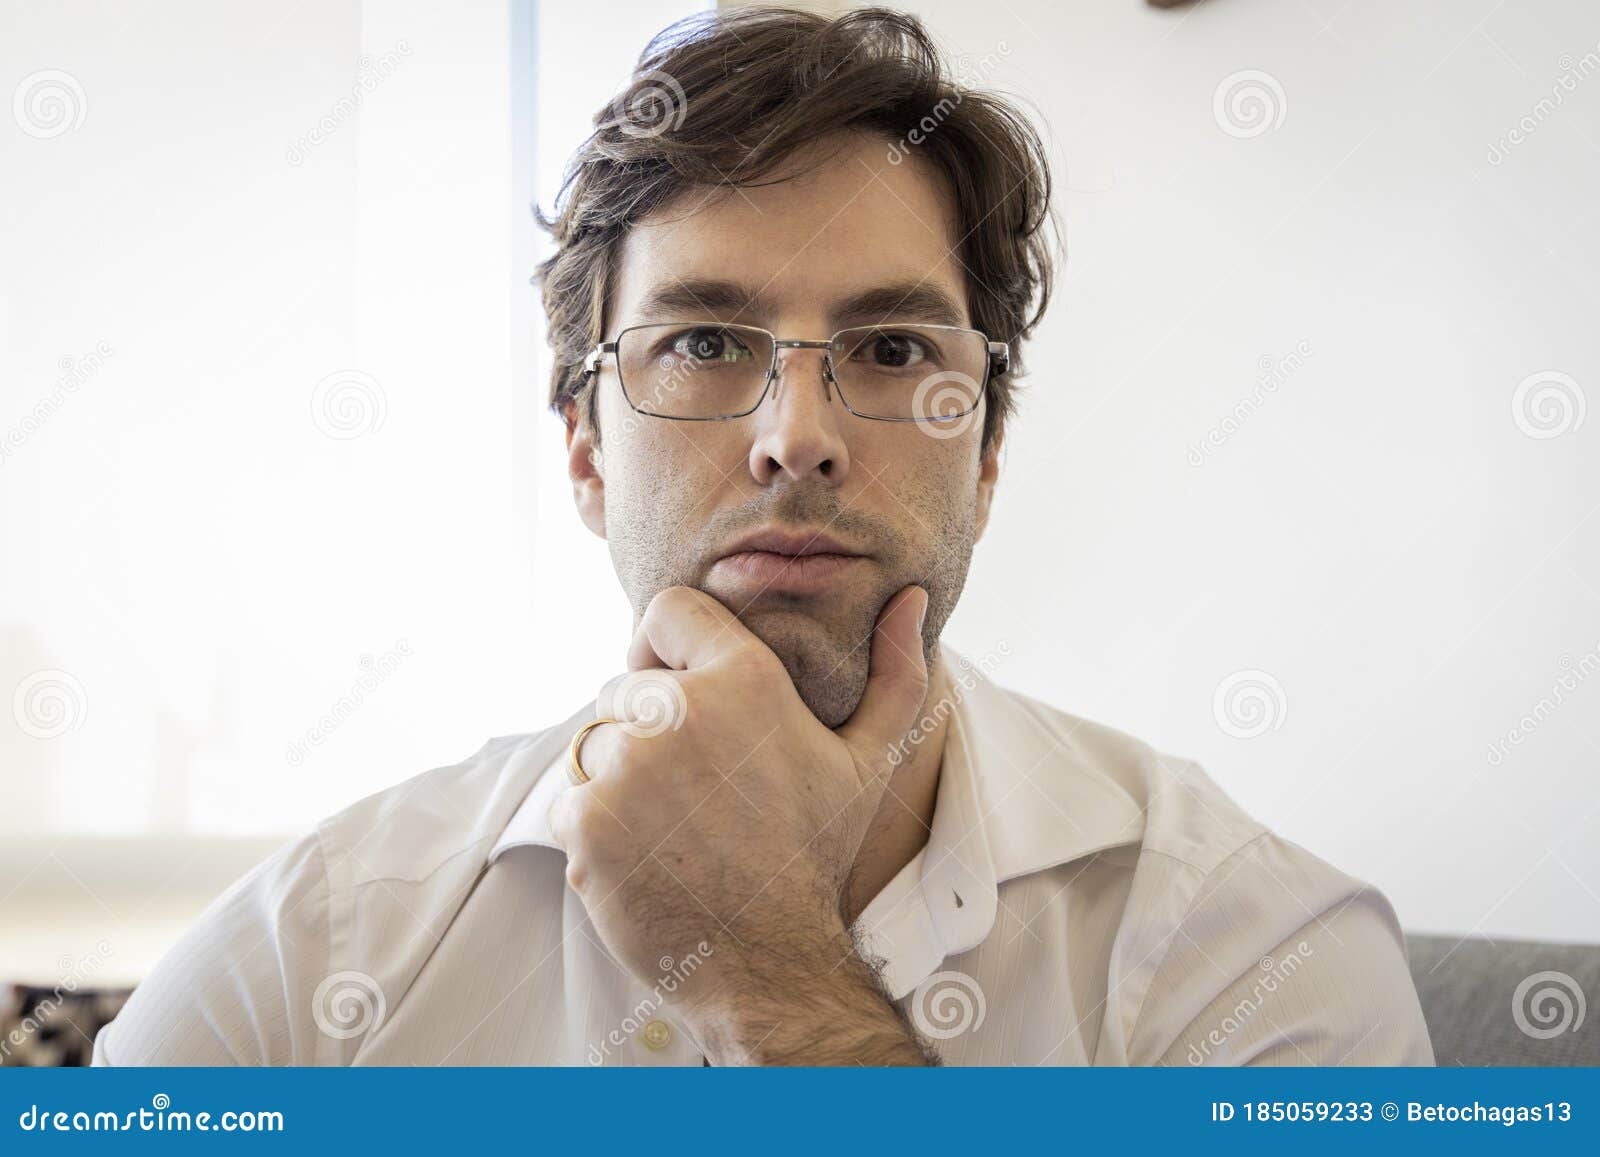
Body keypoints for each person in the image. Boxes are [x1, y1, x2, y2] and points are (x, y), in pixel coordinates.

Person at [95, 6, 1433, 1067]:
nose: (797, 432)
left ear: (991, 450)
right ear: (583, 451)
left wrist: (772, 972)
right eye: (706, 341)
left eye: (893, 345)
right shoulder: (303, 968)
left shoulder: (1264, 962)